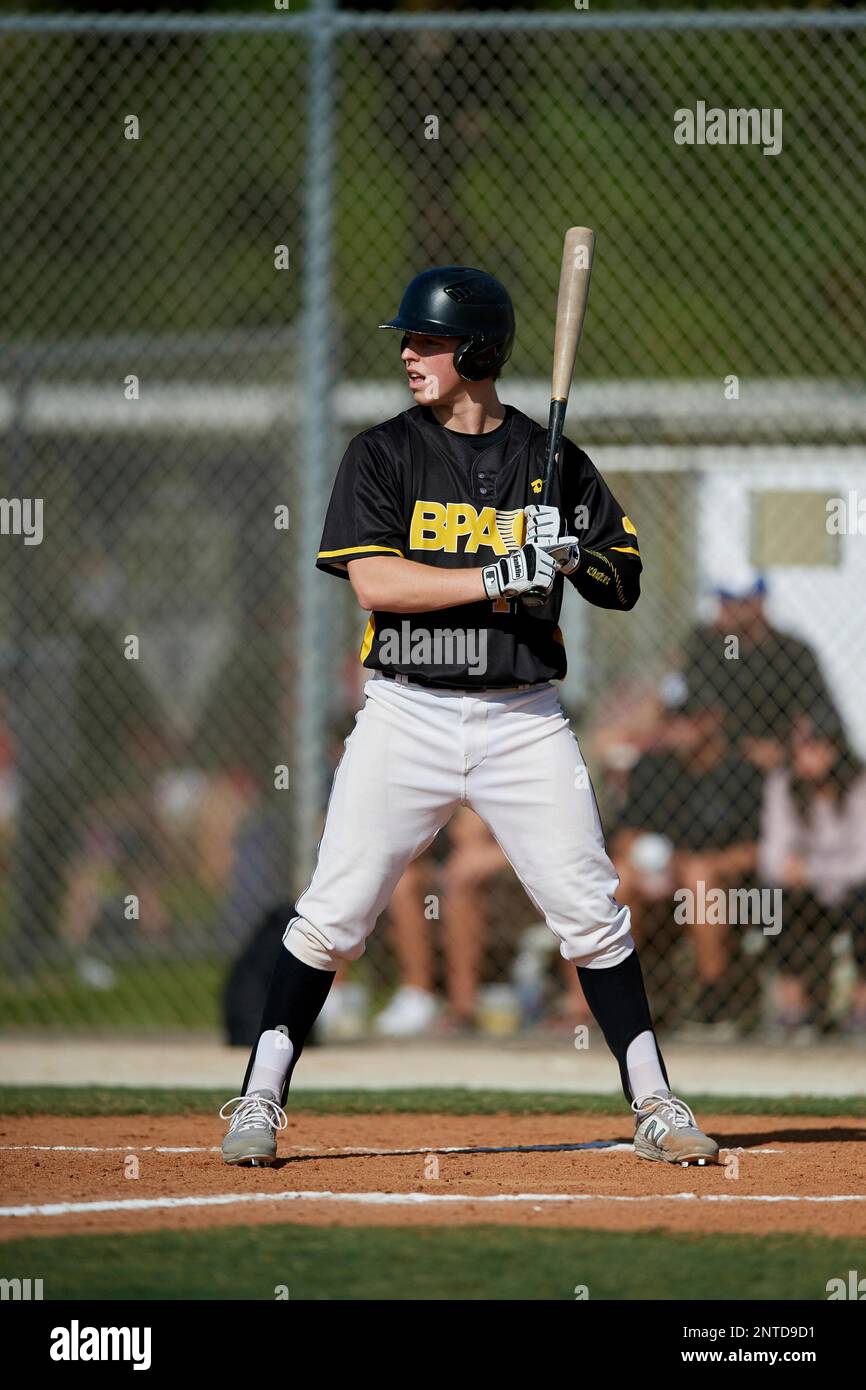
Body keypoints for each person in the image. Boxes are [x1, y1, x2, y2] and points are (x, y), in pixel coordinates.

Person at [218, 264, 719, 1167]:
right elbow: (376, 581)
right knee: (333, 917)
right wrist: (497, 571)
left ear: (479, 352)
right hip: (405, 712)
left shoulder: (552, 460)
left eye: (430, 341)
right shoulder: (381, 453)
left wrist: (567, 556)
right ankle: (258, 1097)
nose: (409, 354)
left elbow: (624, 577)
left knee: (591, 912)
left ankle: (653, 1099)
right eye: (409, 341)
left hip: (523, 718)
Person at [611, 680, 763, 1031]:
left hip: (735, 891)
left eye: (689, 719)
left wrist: (701, 866)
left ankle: (714, 999)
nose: (678, 729)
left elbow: (759, 849)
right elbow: (624, 835)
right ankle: (610, 996)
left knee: (699, 877)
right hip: (659, 880)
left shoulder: (741, 771)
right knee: (623, 875)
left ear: (712, 721)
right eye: (672, 719)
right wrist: (652, 862)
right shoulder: (652, 767)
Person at [759, 711, 866, 1035]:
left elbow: (862, 862)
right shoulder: (782, 785)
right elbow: (771, 858)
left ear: (834, 748)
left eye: (815, 745)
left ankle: (861, 1008)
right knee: (770, 898)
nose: (806, 754)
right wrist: (795, 872)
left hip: (851, 891)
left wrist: (812, 870)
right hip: (802, 893)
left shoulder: (859, 786)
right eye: (800, 746)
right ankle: (793, 1007)